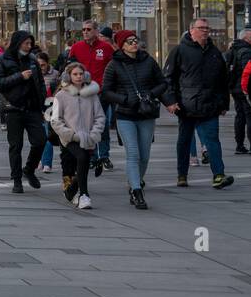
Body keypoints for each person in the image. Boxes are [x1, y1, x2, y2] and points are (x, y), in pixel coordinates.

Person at [102, 29, 170, 210]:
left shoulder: (148, 61)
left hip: (146, 113)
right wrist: (124, 99)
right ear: (121, 45)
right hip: (125, 114)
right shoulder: (114, 64)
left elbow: (163, 82)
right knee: (133, 153)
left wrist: (151, 94)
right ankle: (137, 191)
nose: (134, 43)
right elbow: (106, 91)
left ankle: (136, 181)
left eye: (135, 40)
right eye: (129, 41)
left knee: (145, 155)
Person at [163, 18, 233, 189]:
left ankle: (219, 175)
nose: (205, 31)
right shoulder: (179, 51)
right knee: (184, 141)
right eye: (201, 28)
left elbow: (223, 80)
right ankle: (182, 175)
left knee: (213, 141)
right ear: (191, 30)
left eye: (207, 28)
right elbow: (167, 79)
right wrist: (170, 102)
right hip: (186, 106)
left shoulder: (214, 52)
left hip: (209, 105)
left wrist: (224, 103)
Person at [0, 30, 47, 194]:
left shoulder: (32, 60)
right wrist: (19, 77)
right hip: (13, 108)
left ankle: (29, 169)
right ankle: (17, 180)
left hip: (32, 108)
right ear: (18, 43)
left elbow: (40, 82)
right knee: (16, 146)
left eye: (31, 44)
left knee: (40, 141)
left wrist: (42, 101)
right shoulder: (2, 60)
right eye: (26, 44)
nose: (30, 47)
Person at [49, 62, 105, 210]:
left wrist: (94, 134)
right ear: (68, 76)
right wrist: (71, 135)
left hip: (88, 137)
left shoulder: (92, 95)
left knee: (84, 162)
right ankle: (84, 195)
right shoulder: (61, 95)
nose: (79, 76)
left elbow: (100, 117)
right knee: (82, 157)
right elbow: (55, 120)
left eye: (81, 74)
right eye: (75, 74)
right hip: (69, 138)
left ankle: (72, 189)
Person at [71, 20, 116, 173]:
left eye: (89, 29)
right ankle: (91, 157)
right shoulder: (76, 48)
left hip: (101, 93)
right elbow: (69, 68)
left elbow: (113, 68)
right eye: (83, 29)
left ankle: (104, 156)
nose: (85, 32)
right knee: (86, 126)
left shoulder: (105, 48)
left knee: (102, 125)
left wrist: (108, 87)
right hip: (82, 93)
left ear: (96, 31)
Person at [226, 26, 251, 154]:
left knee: (240, 116)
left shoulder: (233, 49)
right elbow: (247, 71)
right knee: (250, 115)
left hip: (235, 88)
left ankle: (239, 145)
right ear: (246, 38)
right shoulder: (247, 51)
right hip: (245, 88)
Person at [37, 51, 60, 173]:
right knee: (38, 137)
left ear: (47, 64)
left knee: (47, 135)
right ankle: (41, 159)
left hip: (49, 108)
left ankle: (47, 163)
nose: (41, 68)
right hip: (36, 108)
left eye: (43, 65)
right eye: (38, 65)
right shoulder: (33, 74)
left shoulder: (55, 74)